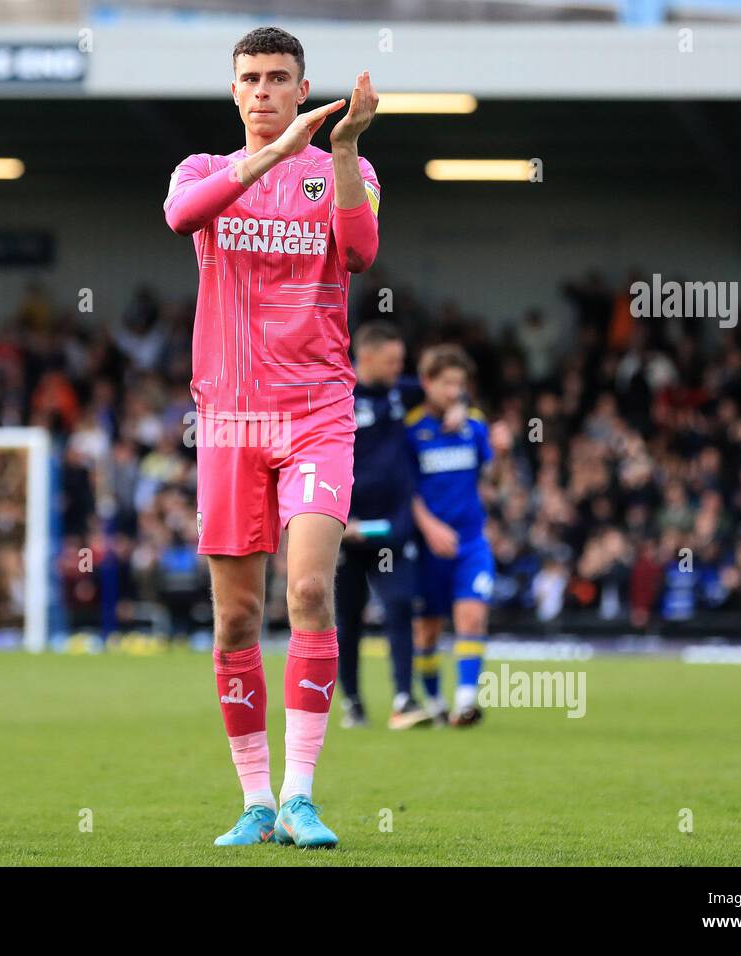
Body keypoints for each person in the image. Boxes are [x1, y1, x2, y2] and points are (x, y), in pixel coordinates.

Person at [164, 26, 379, 848]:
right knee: (235, 619)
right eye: (249, 78)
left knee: (311, 592)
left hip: (317, 412)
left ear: (302, 85)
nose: (262, 89)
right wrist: (274, 150)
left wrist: (341, 148)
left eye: (278, 78)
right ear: (234, 91)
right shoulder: (202, 173)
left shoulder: (343, 175)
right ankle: (254, 801)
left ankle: (300, 796)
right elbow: (184, 215)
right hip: (229, 418)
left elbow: (360, 253)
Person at [407, 344, 511, 726]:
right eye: (447, 382)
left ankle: (466, 702)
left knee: (471, 616)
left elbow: (494, 481)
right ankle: (434, 701)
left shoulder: (475, 424)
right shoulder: (412, 427)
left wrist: (501, 454)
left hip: (470, 540)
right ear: (427, 382)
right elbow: (405, 488)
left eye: (460, 383)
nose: (454, 391)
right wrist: (429, 527)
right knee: (428, 627)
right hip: (427, 543)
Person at [335, 320, 428, 730]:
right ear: (366, 358)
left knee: (399, 606)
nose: (398, 368)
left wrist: (461, 409)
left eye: (400, 362)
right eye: (391, 361)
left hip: (390, 529)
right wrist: (334, 516)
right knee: (347, 619)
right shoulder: (337, 396)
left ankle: (404, 698)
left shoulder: (402, 393)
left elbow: (445, 391)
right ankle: (352, 700)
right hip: (345, 530)